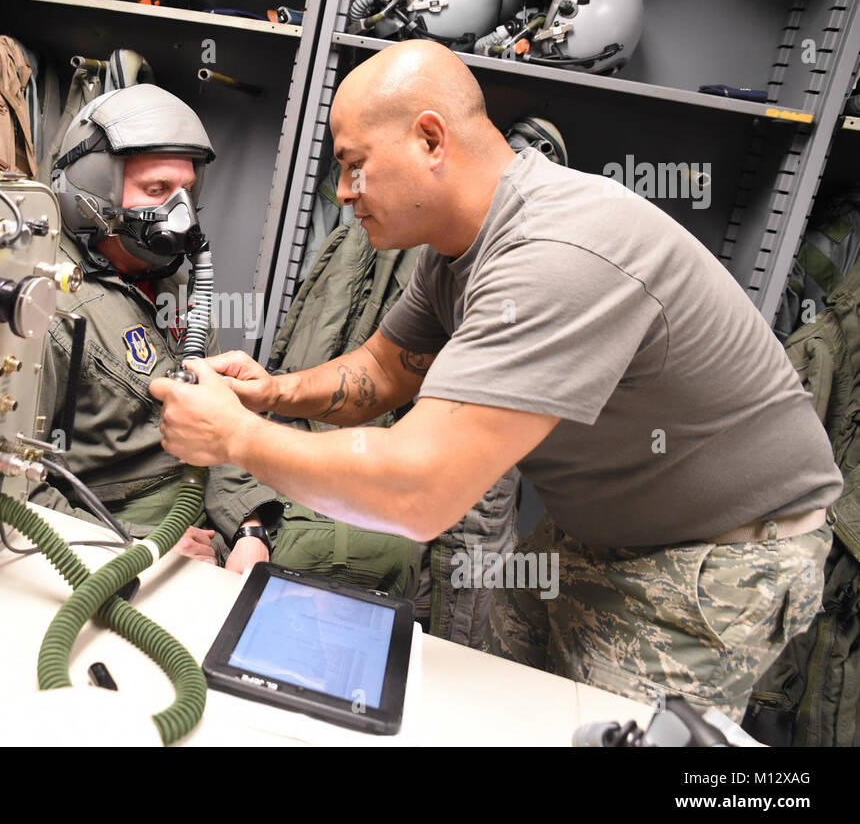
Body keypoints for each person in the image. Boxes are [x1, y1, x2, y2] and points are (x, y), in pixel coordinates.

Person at [151, 39, 842, 718]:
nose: (343, 193)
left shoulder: (554, 254)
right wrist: (268, 394)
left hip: (711, 556)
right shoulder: (458, 245)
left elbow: (418, 492)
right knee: (492, 701)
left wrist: (235, 438)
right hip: (598, 529)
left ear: (430, 139)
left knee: (605, 736)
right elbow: (387, 368)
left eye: (355, 167)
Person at [33, 83, 420, 590]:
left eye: (187, 192)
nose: (180, 212)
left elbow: (217, 420)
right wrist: (135, 546)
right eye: (156, 191)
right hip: (121, 531)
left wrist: (251, 526)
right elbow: (11, 488)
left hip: (206, 506)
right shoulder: (44, 305)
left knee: (390, 546)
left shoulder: (170, 279)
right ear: (93, 192)